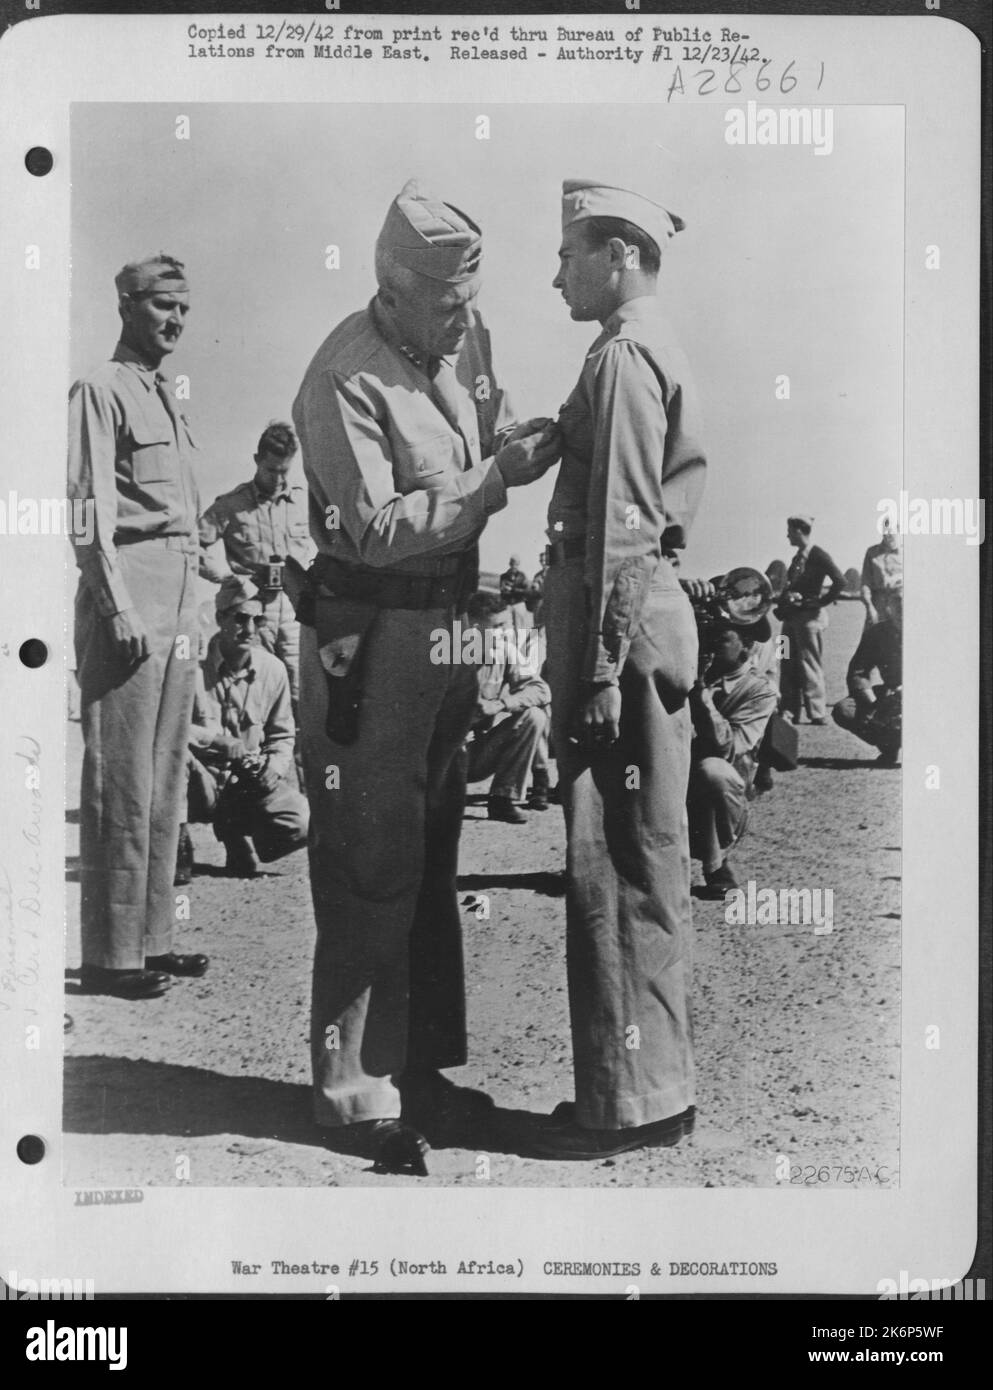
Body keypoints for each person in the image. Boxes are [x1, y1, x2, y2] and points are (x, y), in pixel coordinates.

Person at [291, 179, 559, 1173]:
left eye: (468, 299)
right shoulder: (342, 380)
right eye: (447, 302)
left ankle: (420, 1066)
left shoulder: (462, 334)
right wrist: (493, 483)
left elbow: (488, 416)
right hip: (371, 633)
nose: (463, 318)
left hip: (451, 621)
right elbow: (377, 528)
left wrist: (521, 437)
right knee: (369, 859)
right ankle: (352, 1086)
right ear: (392, 287)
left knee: (433, 849)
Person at [535, 179, 707, 1160]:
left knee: (611, 861)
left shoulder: (623, 356)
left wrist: (598, 667)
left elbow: (624, 528)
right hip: (642, 630)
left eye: (568, 253)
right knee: (648, 857)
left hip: (621, 637)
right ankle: (650, 1089)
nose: (556, 271)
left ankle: (628, 1100)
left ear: (618, 253)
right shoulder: (640, 348)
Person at [68, 254, 208, 1000]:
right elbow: (88, 508)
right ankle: (109, 955)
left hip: (179, 596)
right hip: (130, 591)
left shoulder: (167, 397)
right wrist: (116, 605)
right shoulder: (101, 389)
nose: (175, 321)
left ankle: (152, 940)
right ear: (126, 305)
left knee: (163, 782)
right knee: (120, 779)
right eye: (162, 306)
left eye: (183, 309)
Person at [185, 577, 309, 875]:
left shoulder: (273, 669)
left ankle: (236, 833)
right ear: (219, 619)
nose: (250, 630)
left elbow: (282, 734)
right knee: (173, 761)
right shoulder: (192, 668)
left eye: (258, 620)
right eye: (240, 619)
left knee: (303, 821)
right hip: (202, 780)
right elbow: (173, 729)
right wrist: (216, 742)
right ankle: (178, 846)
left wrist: (272, 770)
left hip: (245, 784)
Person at [198, 421, 316, 716]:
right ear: (257, 461)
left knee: (303, 698)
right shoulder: (231, 505)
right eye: (270, 470)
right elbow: (191, 547)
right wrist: (229, 579)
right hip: (250, 618)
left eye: (284, 471)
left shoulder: (306, 503)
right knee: (254, 696)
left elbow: (333, 542)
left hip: (295, 616)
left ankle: (298, 762)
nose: (277, 479)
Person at [688, 618, 778, 897]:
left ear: (747, 647)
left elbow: (729, 748)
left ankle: (716, 864)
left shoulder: (759, 690)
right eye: (707, 636)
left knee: (712, 770)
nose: (710, 645)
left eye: (721, 639)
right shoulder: (689, 673)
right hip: (674, 777)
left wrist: (702, 700)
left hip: (722, 791)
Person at [464, 591, 551, 823]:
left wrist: (500, 704)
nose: (506, 633)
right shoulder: (445, 653)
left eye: (507, 625)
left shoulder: (504, 651)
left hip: (474, 755)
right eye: (497, 626)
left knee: (534, 716)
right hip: (439, 754)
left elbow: (541, 690)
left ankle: (503, 798)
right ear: (471, 627)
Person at [777, 514, 845, 724]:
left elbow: (839, 581)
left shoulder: (817, 555)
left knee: (809, 664)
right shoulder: (797, 557)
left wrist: (817, 603)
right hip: (790, 619)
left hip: (808, 621)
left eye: (789, 530)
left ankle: (817, 713)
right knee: (785, 659)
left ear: (799, 530)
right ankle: (789, 710)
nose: (787, 535)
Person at [832, 591, 902, 766]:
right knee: (845, 710)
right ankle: (889, 747)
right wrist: (874, 705)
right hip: (891, 695)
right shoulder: (877, 634)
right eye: (897, 604)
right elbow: (858, 672)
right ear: (888, 607)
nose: (902, 609)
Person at [860, 519, 902, 629]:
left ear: (899, 531)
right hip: (878, 608)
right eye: (885, 531)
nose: (887, 534)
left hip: (900, 609)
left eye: (891, 531)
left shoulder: (908, 553)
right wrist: (870, 607)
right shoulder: (872, 553)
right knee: (872, 643)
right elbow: (866, 583)